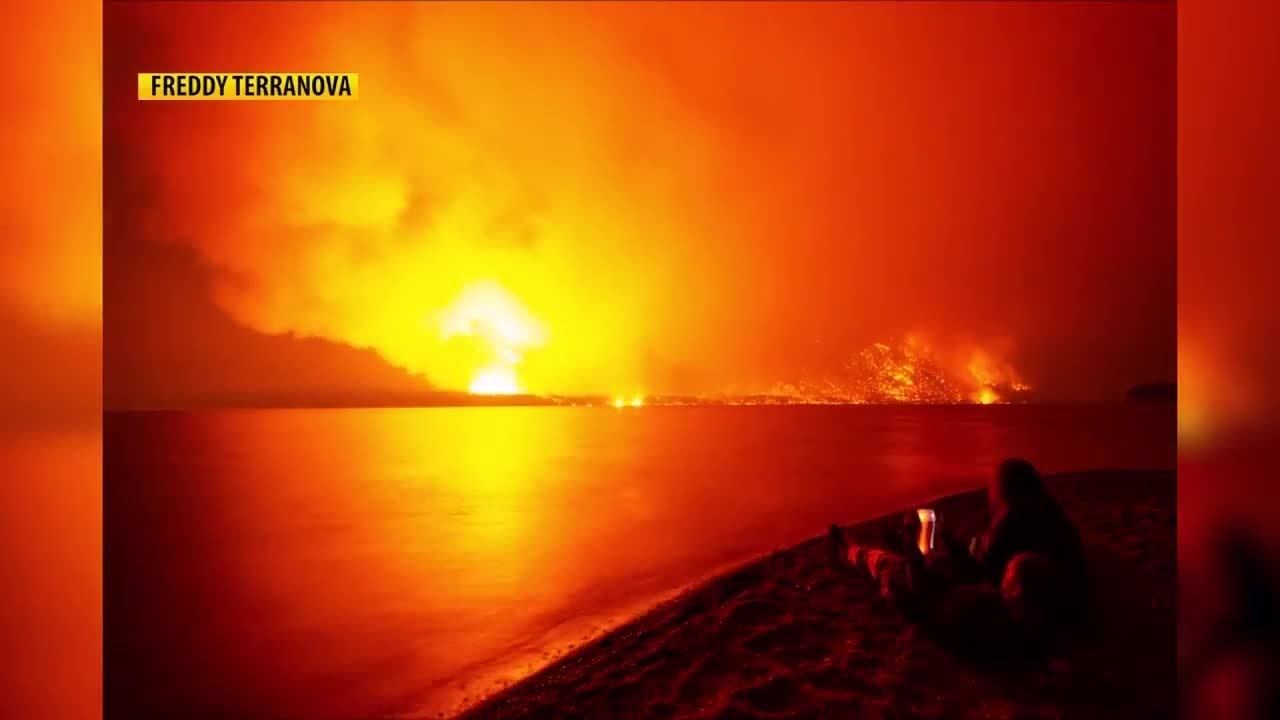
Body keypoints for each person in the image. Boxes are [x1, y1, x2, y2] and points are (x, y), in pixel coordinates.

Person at [828, 458, 1089, 662]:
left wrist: (915, 551)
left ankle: (850, 550)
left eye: (994, 488)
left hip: (927, 590)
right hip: (961, 588)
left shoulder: (982, 614)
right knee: (926, 545)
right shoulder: (1055, 530)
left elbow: (929, 593)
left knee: (885, 563)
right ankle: (875, 548)